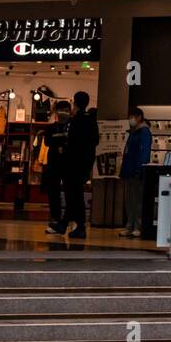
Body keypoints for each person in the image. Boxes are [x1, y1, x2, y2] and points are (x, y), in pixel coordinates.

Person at [62, 91, 99, 238]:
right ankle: (65, 223)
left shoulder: (76, 120)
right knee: (75, 195)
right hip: (85, 163)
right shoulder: (91, 120)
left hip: (74, 164)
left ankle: (79, 225)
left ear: (75, 102)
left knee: (74, 195)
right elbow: (95, 140)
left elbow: (71, 143)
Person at [120, 107, 152, 238]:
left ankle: (137, 226)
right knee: (129, 200)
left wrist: (140, 169)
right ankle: (129, 225)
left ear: (139, 117)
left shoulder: (144, 132)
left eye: (132, 116)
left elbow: (144, 153)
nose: (130, 119)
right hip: (129, 170)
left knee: (137, 200)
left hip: (136, 171)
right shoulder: (133, 132)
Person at [44, 100, 73, 234]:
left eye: (66, 110)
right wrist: (61, 138)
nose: (64, 113)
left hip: (68, 163)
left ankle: (69, 219)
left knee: (70, 192)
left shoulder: (73, 126)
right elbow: (48, 142)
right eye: (61, 110)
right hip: (54, 162)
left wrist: (59, 138)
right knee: (53, 192)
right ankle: (55, 218)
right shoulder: (50, 127)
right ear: (56, 111)